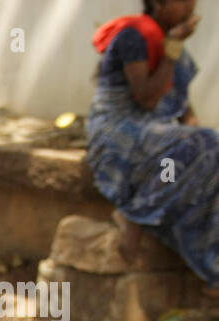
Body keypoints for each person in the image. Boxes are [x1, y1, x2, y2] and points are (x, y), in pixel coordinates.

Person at [87, 0, 218, 296]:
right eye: (182, 1)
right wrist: (172, 47)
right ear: (159, 4)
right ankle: (135, 215)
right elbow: (147, 98)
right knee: (203, 143)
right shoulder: (134, 36)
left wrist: (199, 139)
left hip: (155, 131)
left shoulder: (170, 43)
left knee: (209, 149)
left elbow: (182, 108)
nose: (191, 7)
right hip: (119, 131)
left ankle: (213, 266)